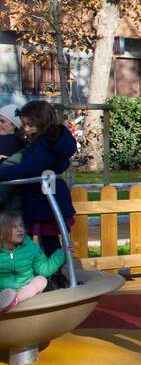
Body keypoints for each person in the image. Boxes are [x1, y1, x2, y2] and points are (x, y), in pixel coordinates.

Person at [0, 100, 76, 290]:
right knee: (48, 240)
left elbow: (30, 168)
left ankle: (57, 277)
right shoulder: (48, 141)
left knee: (49, 241)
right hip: (46, 199)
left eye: (29, 125)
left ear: (41, 122)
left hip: (45, 201)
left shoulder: (46, 143)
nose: (25, 129)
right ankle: (55, 276)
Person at [0, 210, 66, 311]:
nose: (20, 229)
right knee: (6, 293)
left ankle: (15, 300)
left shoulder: (31, 248)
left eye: (21, 226)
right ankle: (5, 301)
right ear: (1, 234)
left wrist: (60, 255)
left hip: (25, 289)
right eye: (14, 227)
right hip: (3, 292)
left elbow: (43, 269)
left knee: (41, 280)